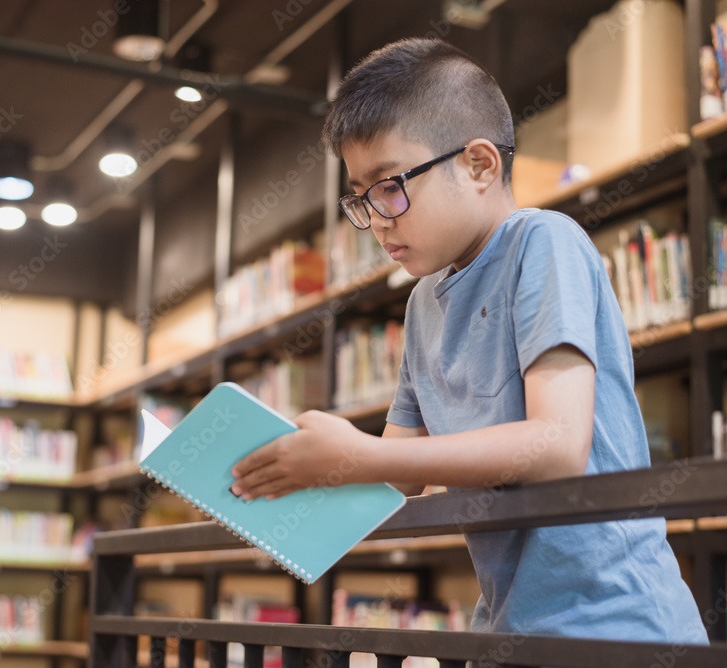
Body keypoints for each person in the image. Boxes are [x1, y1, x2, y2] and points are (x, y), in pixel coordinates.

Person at [228, 37, 708, 644]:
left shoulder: (544, 241)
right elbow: (395, 478)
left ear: (479, 165)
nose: (376, 219)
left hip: (617, 627)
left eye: (389, 186)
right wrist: (280, 474)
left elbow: (558, 446)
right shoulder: (423, 303)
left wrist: (360, 454)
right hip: (510, 628)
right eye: (360, 197)